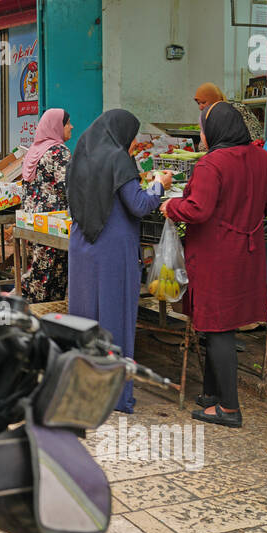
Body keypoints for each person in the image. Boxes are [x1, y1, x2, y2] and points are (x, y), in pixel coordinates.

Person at [162, 101, 267, 428]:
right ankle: (211, 396)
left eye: (203, 128)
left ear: (216, 130)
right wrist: (248, 213)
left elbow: (197, 210)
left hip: (215, 255)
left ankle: (229, 409)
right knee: (220, 324)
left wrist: (172, 206)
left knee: (216, 327)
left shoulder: (211, 164)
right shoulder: (263, 159)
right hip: (246, 253)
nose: (202, 135)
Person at [66, 109, 172, 413]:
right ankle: (114, 396)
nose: (132, 141)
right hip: (112, 249)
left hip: (82, 244)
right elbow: (139, 205)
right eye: (132, 135)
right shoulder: (118, 159)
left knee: (85, 320)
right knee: (115, 319)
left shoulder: (80, 154)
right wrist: (159, 184)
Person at [19, 108, 73, 302]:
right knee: (52, 271)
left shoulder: (35, 149)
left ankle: (32, 304)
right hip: (53, 221)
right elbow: (69, 184)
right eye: (67, 123)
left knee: (39, 265)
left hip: (32, 220)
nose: (71, 127)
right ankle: (43, 312)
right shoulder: (58, 151)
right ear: (57, 126)